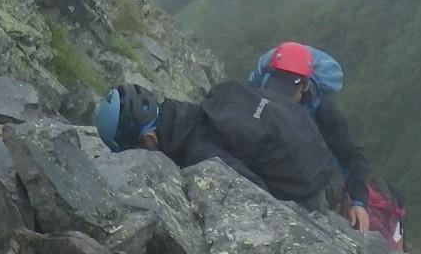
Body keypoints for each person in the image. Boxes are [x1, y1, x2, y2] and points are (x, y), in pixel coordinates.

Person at [94, 80, 340, 207]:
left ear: (149, 140)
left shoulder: (200, 154)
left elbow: (258, 198)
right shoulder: (208, 107)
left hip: (306, 190)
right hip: (312, 145)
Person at [247, 42, 370, 233]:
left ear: (305, 86)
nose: (281, 96)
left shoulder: (323, 111)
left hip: (307, 170)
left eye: (289, 89)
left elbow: (350, 155)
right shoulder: (261, 88)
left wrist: (358, 201)